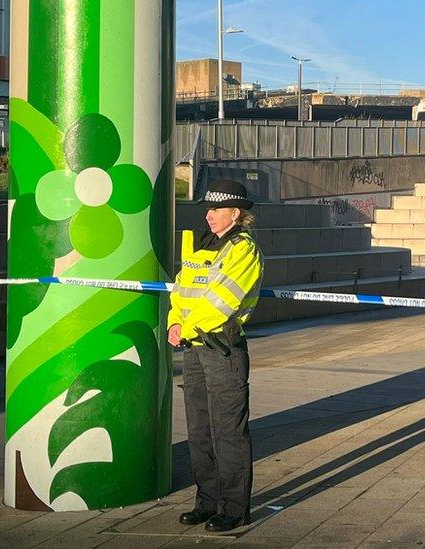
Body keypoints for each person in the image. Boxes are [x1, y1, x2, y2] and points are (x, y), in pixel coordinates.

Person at [168, 179, 264, 532]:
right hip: (194, 347)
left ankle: (235, 508)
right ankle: (207, 502)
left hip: (222, 347)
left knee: (229, 433)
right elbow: (182, 290)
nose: (208, 215)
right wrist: (173, 323)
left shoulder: (243, 250)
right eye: (207, 209)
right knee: (200, 430)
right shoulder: (202, 243)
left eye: (215, 209)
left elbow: (222, 303)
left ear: (235, 213)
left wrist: (187, 328)